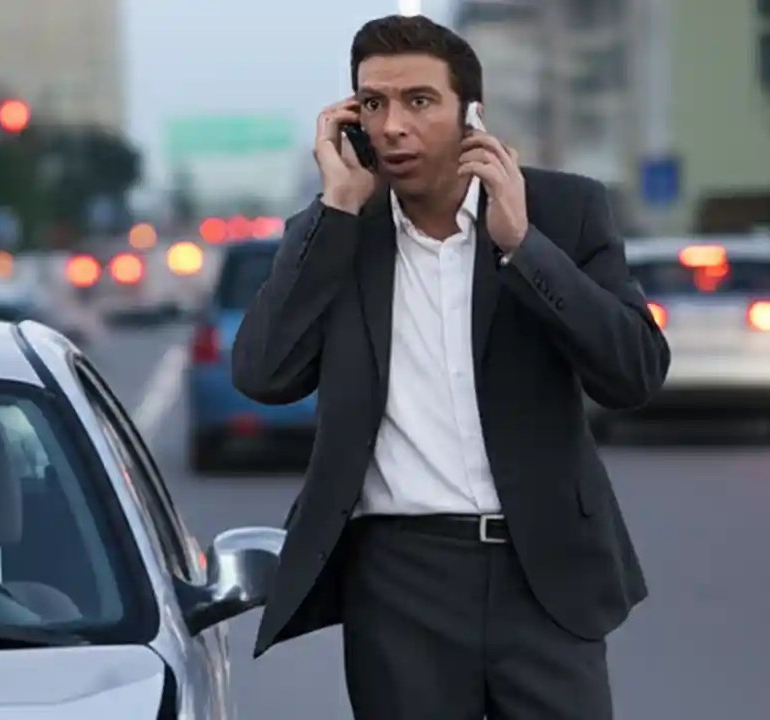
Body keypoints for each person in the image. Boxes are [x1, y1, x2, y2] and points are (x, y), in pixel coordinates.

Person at [232, 14, 670, 720]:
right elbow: (263, 373)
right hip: (400, 580)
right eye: (372, 104)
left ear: (472, 116)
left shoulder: (563, 211)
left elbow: (634, 373)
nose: (393, 126)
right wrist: (337, 207)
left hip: (545, 572)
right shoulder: (338, 234)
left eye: (419, 101)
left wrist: (524, 247)